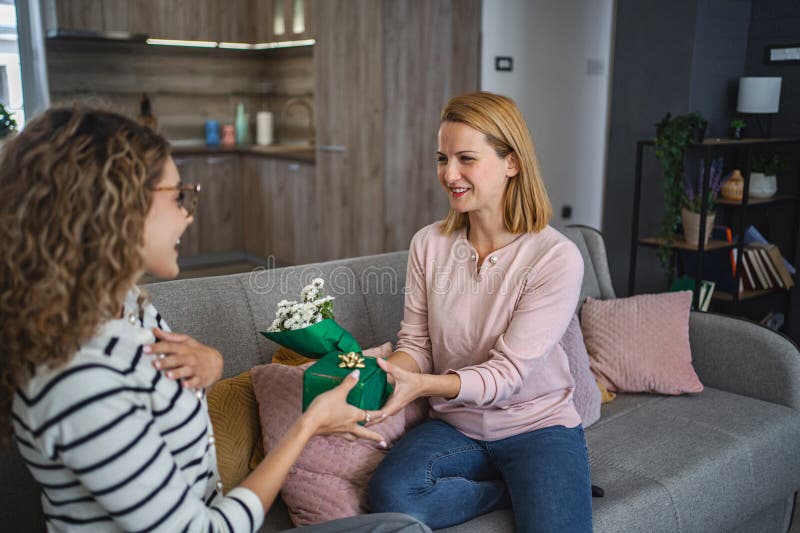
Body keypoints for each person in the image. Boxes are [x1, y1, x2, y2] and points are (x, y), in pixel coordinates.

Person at [0, 107, 430, 533]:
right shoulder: (79, 379)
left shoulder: (125, 305)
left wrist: (211, 365)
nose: (188, 213)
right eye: (176, 196)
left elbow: (154, 406)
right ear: (114, 208)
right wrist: (310, 425)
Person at [367, 92, 593, 532]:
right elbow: (416, 344)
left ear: (511, 163)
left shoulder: (555, 258)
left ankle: (534, 479)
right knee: (393, 497)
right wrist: (381, 374)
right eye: (442, 158)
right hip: (457, 429)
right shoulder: (428, 245)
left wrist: (423, 386)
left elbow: (508, 375)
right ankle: (510, 489)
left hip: (539, 428)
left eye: (466, 158)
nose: (449, 174)